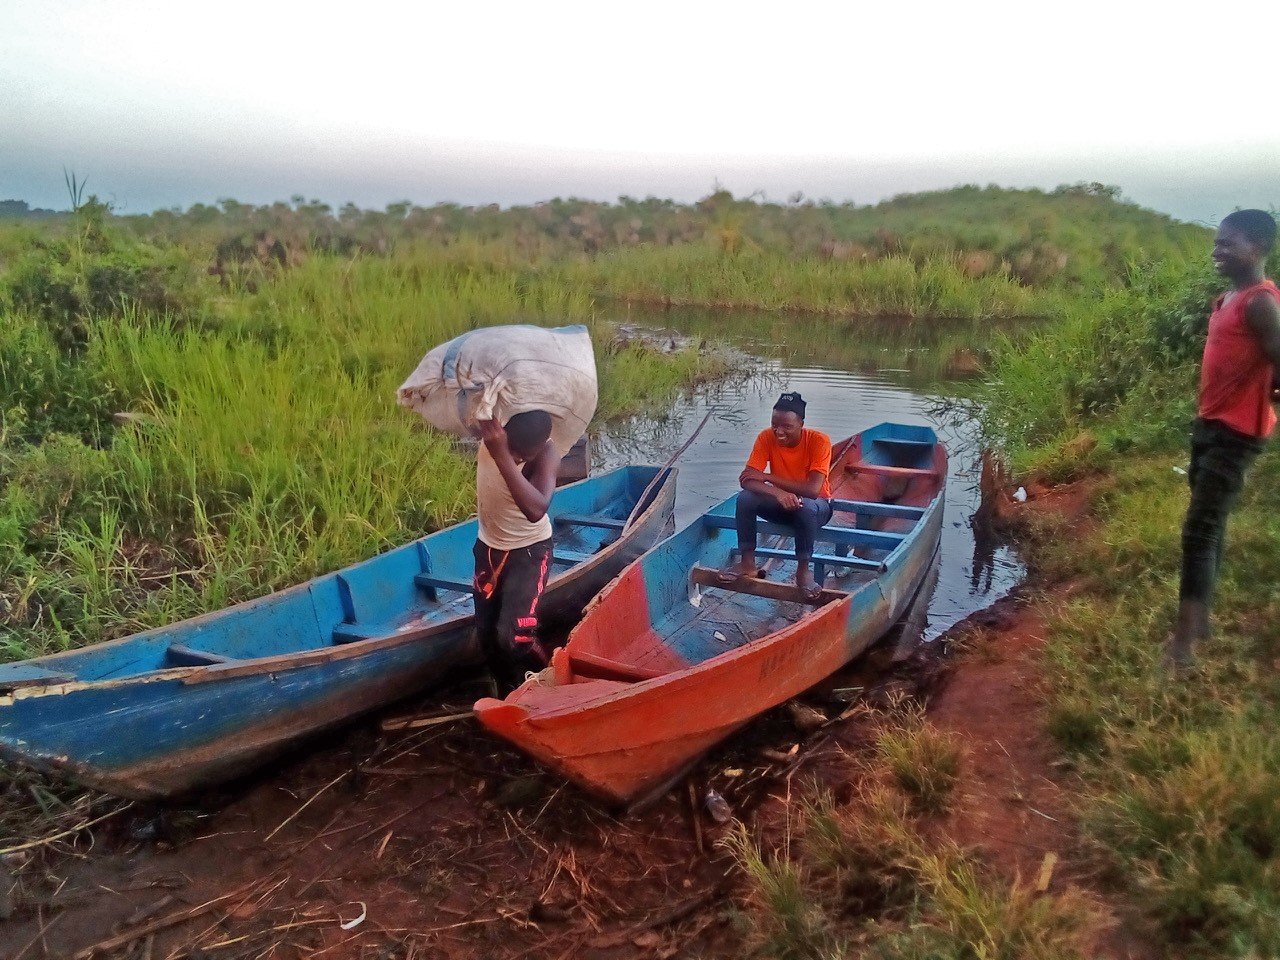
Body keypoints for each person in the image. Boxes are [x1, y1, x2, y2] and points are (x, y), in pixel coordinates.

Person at [1168, 209, 1280, 671]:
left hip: (1236, 434)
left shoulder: (1260, 302)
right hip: (1210, 426)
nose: (1217, 250)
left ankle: (1185, 644)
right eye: (1217, 241)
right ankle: (1199, 621)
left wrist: (1271, 394)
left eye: (1228, 243)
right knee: (1208, 526)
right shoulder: (1228, 298)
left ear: (1256, 249)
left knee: (1199, 530)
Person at [474, 411, 560, 693]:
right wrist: (498, 445)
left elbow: (536, 509)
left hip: (530, 553)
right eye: (511, 450)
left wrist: (502, 454)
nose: (515, 458)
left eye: (522, 456)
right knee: (487, 637)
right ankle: (508, 692)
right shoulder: (491, 431)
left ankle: (550, 674)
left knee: (514, 637)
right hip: (489, 549)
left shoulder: (547, 453)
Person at [721, 392, 833, 600]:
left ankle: (802, 571)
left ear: (801, 423)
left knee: (807, 506)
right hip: (781, 504)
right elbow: (746, 479)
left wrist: (766, 476)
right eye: (775, 425)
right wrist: (778, 493)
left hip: (817, 508)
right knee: (745, 498)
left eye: (787, 427)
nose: (778, 432)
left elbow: (812, 490)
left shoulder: (819, 441)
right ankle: (748, 563)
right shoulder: (766, 437)